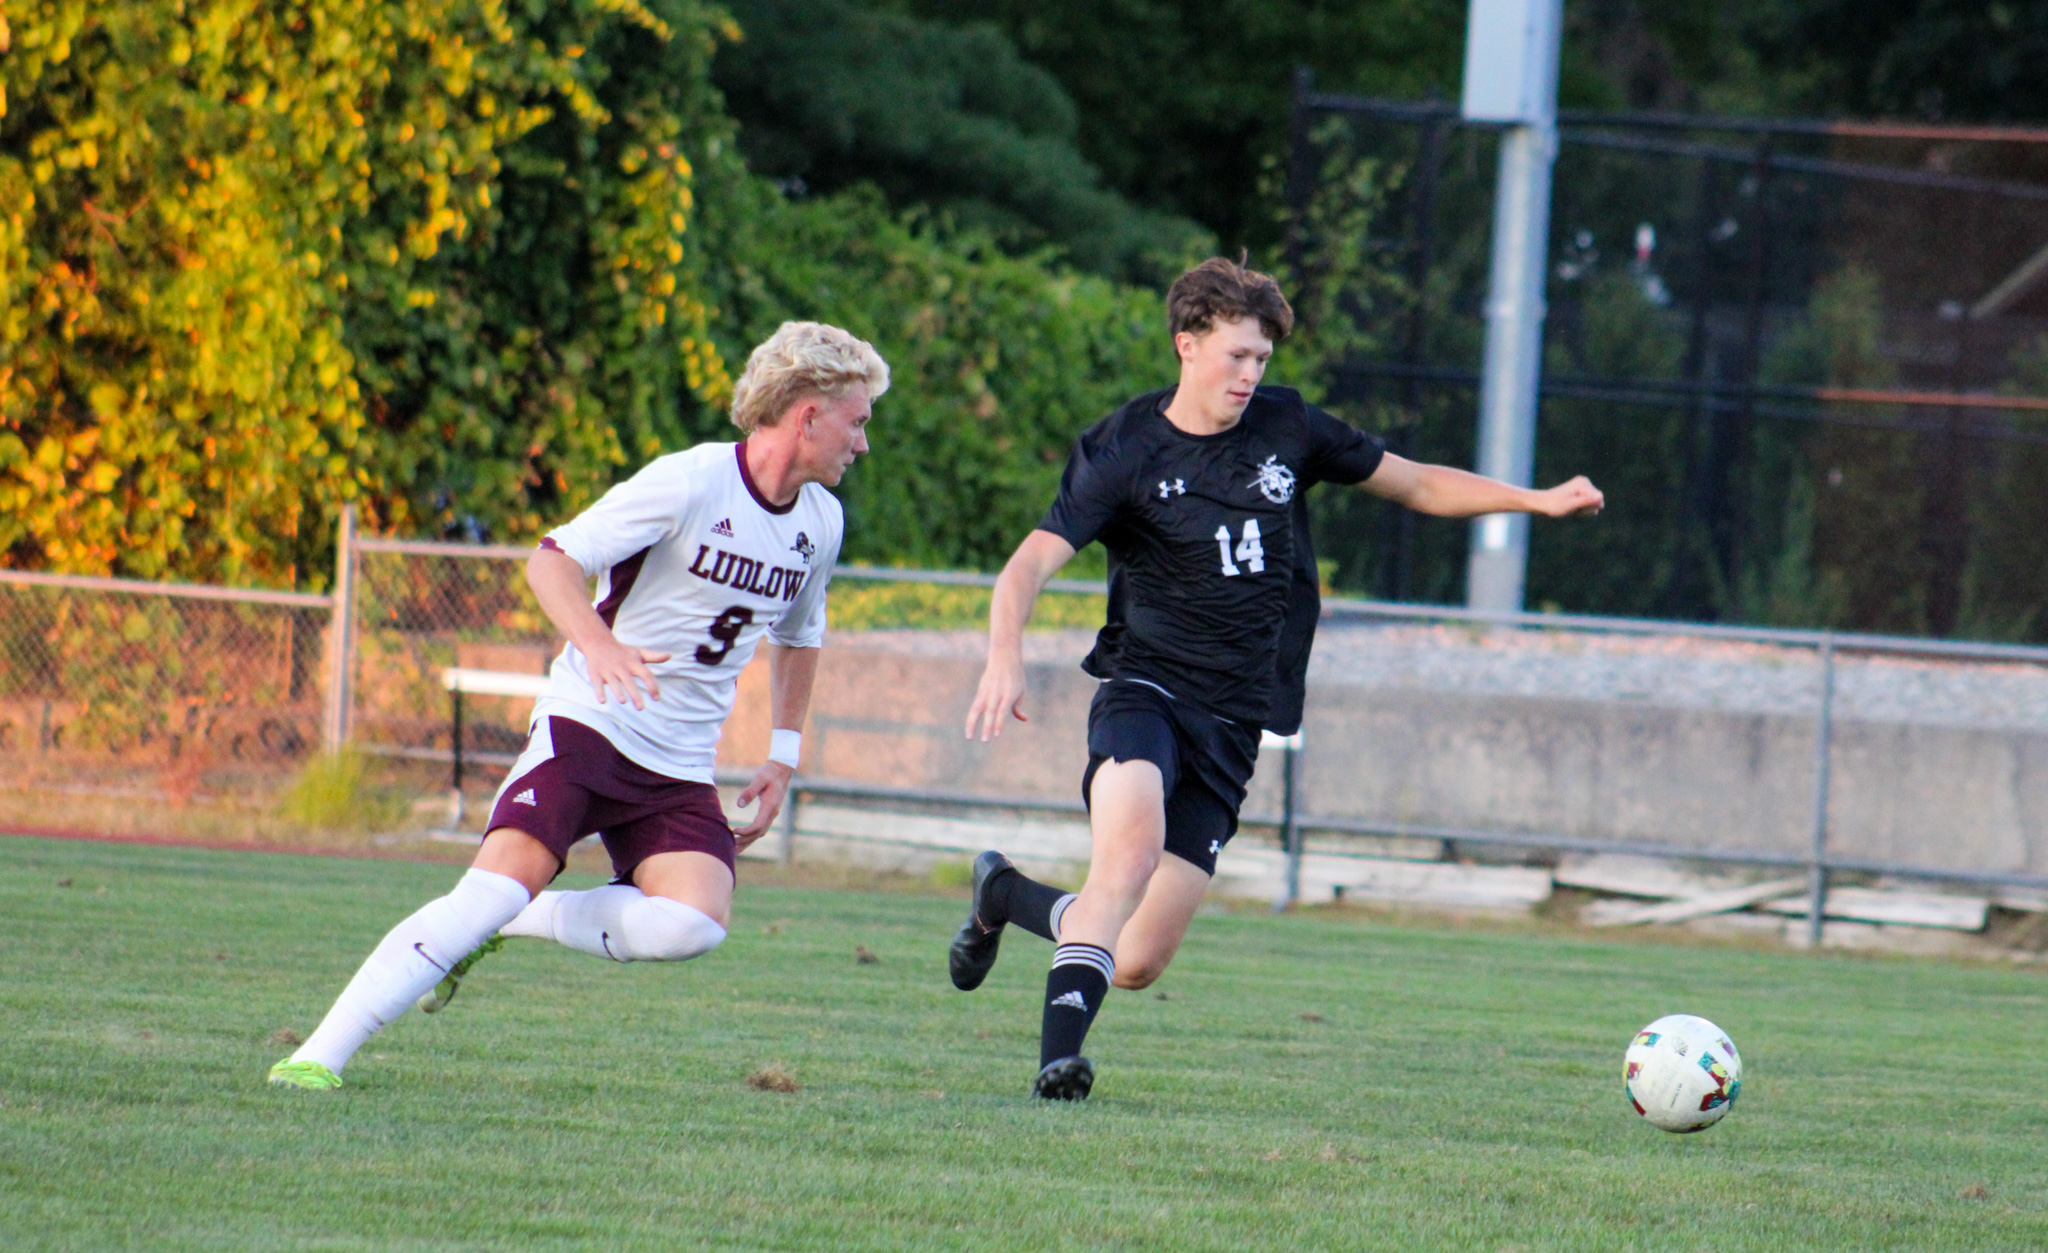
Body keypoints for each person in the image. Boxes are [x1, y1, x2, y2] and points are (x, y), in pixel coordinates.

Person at [953, 258, 1604, 1101]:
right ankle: (1056, 1066)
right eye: (1236, 356)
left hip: (1234, 720)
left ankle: (1002, 891)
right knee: (1128, 852)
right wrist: (1004, 653)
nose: (1251, 375)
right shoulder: (1125, 449)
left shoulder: (1287, 427)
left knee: (1140, 957)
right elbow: (1028, 564)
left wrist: (1538, 500)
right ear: (1187, 345)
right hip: (1143, 688)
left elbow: (1416, 483)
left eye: (1262, 359)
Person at [268, 321, 886, 1090]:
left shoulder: (820, 523)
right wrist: (599, 646)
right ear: (809, 414)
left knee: (693, 923)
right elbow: (552, 561)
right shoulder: (691, 480)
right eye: (857, 421)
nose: (862, 442)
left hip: (679, 759)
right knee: (491, 885)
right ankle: (315, 1057)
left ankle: (518, 920)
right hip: (592, 724)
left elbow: (801, 635)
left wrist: (783, 756)